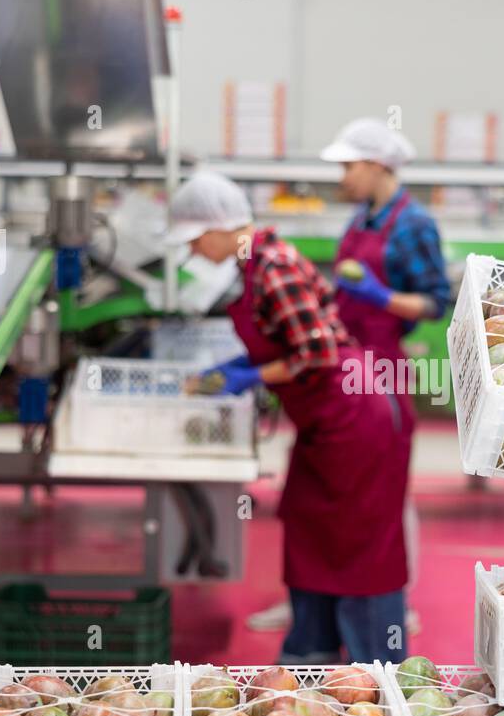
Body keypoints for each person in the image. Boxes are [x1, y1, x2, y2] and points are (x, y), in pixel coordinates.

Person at [171, 171, 411, 665]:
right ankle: (311, 656)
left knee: (360, 544)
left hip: (354, 414)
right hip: (326, 421)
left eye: (195, 240)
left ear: (220, 228)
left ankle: (377, 671)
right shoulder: (252, 267)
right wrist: (239, 370)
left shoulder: (273, 266)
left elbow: (317, 354)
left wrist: (252, 375)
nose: (194, 252)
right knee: (307, 522)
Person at [247, 118, 450, 635]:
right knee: (324, 490)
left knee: (384, 494)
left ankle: (390, 604)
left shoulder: (413, 225)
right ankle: (311, 607)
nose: (342, 177)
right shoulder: (361, 219)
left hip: (382, 367)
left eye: (348, 166)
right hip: (342, 365)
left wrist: (383, 299)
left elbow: (435, 301)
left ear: (378, 165)